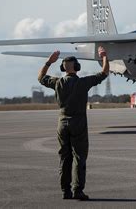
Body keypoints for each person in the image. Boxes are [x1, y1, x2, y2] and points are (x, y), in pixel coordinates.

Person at [38, 46, 109, 200]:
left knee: (65, 158)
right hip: (78, 123)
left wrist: (48, 62)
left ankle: (65, 191)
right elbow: (104, 73)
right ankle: (78, 190)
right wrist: (104, 56)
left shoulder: (57, 83)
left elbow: (41, 77)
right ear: (77, 67)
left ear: (62, 68)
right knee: (79, 157)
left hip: (62, 122)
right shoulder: (83, 83)